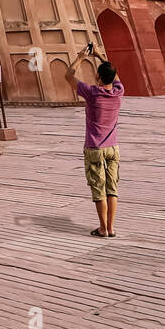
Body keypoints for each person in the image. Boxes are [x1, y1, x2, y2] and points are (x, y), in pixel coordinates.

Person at [65, 44, 124, 238]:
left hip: (94, 148)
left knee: (99, 189)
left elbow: (68, 76)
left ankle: (102, 228)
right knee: (112, 188)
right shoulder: (118, 91)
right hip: (113, 147)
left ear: (98, 77)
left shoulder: (92, 93)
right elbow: (114, 76)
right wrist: (99, 55)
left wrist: (82, 57)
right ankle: (112, 228)